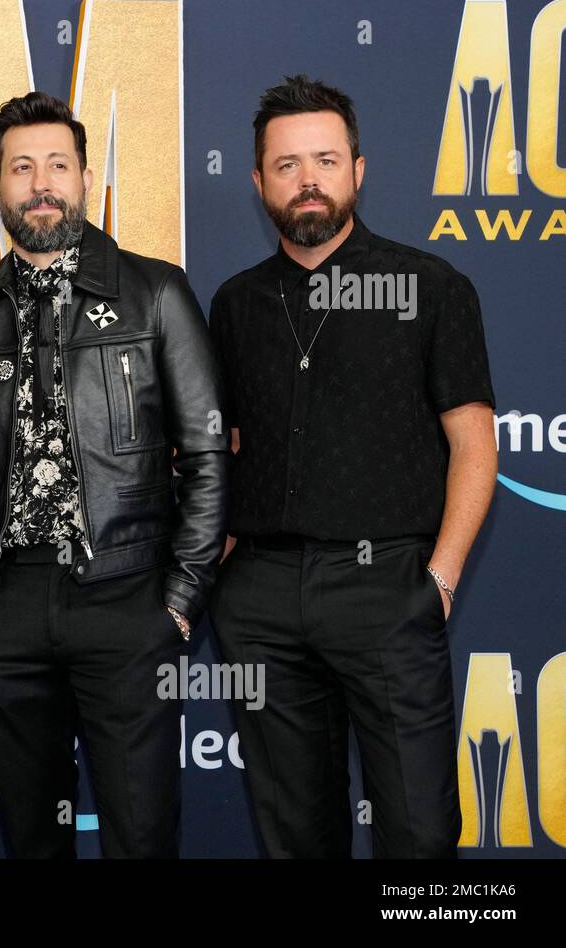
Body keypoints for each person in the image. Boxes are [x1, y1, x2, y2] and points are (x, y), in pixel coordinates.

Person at [0, 92, 228, 857]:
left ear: (87, 178)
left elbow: (206, 454)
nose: (41, 183)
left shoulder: (156, 293)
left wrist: (181, 604)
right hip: (2, 607)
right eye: (21, 168)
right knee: (31, 835)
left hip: (127, 600)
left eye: (58, 164)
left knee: (141, 831)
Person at [208, 74, 497, 858]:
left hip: (388, 590)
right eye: (288, 164)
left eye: (326, 161)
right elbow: (223, 449)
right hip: (261, 599)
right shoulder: (234, 304)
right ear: (258, 181)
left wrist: (438, 578)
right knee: (296, 835)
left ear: (358, 172)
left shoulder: (432, 287)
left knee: (418, 834)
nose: (308, 179)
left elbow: (475, 444)